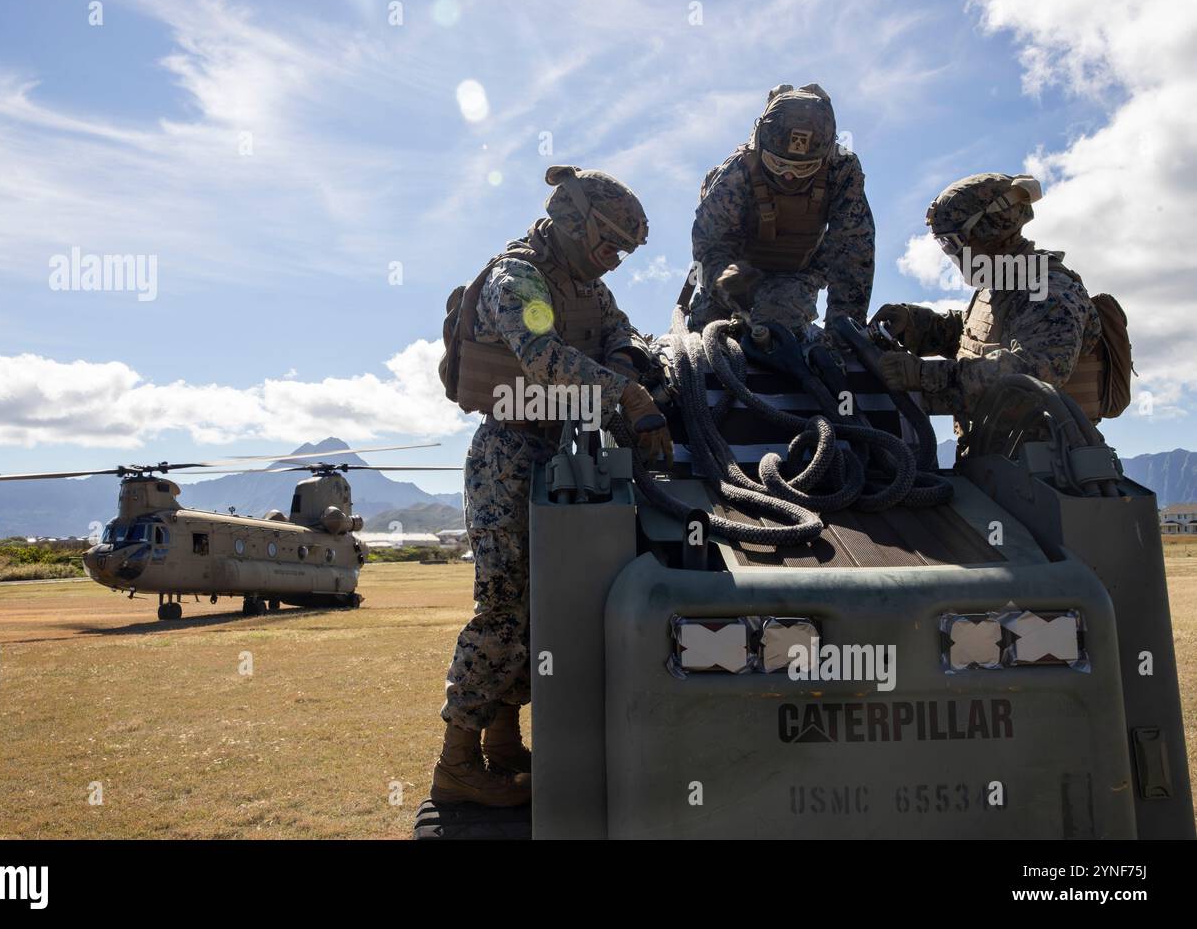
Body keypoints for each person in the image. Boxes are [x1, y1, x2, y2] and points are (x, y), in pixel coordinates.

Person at [433, 165, 672, 806]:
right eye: (609, 243)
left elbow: (621, 337)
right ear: (573, 220)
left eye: (624, 250)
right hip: (509, 452)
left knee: (539, 610)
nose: (614, 260)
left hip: (560, 454)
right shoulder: (521, 277)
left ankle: (503, 749)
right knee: (505, 609)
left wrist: (627, 370)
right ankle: (456, 762)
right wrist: (625, 391)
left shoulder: (587, 288)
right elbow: (542, 358)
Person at [873, 172, 1104, 425]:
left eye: (952, 242)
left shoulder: (1050, 293)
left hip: (1046, 459)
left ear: (988, 231)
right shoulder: (1003, 283)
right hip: (999, 458)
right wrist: (915, 324)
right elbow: (978, 338)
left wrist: (924, 375)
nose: (951, 254)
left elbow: (1029, 375)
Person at [684, 83, 874, 340]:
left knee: (779, 326)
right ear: (760, 146)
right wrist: (724, 277)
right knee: (705, 338)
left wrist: (845, 331)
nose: (788, 175)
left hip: (797, 274)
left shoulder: (841, 171)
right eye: (778, 164)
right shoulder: (737, 171)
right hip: (735, 272)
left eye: (803, 168)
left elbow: (853, 250)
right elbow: (708, 242)